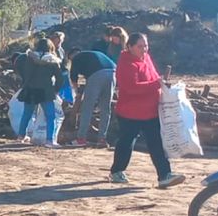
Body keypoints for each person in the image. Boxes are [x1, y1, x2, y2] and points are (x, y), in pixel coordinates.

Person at [109, 33, 185, 188]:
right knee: (126, 142)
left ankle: (164, 175)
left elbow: (154, 77)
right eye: (140, 46)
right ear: (129, 47)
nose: (144, 49)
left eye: (146, 46)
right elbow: (131, 88)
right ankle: (117, 171)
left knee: (156, 143)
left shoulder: (146, 58)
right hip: (130, 113)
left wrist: (161, 85)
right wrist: (156, 85)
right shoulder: (126, 64)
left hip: (150, 111)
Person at [14, 38, 61, 146]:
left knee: (27, 114)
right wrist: (55, 90)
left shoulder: (28, 58)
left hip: (30, 90)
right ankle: (49, 140)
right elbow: (60, 78)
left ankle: (21, 136)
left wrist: (25, 82)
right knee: (50, 116)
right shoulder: (52, 60)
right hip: (46, 91)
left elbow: (21, 69)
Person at [66, 48, 116, 147]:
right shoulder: (95, 54)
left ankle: (81, 138)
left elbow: (73, 78)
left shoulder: (76, 59)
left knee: (87, 107)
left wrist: (78, 92)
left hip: (96, 75)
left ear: (71, 56)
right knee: (105, 108)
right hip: (113, 73)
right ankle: (102, 139)